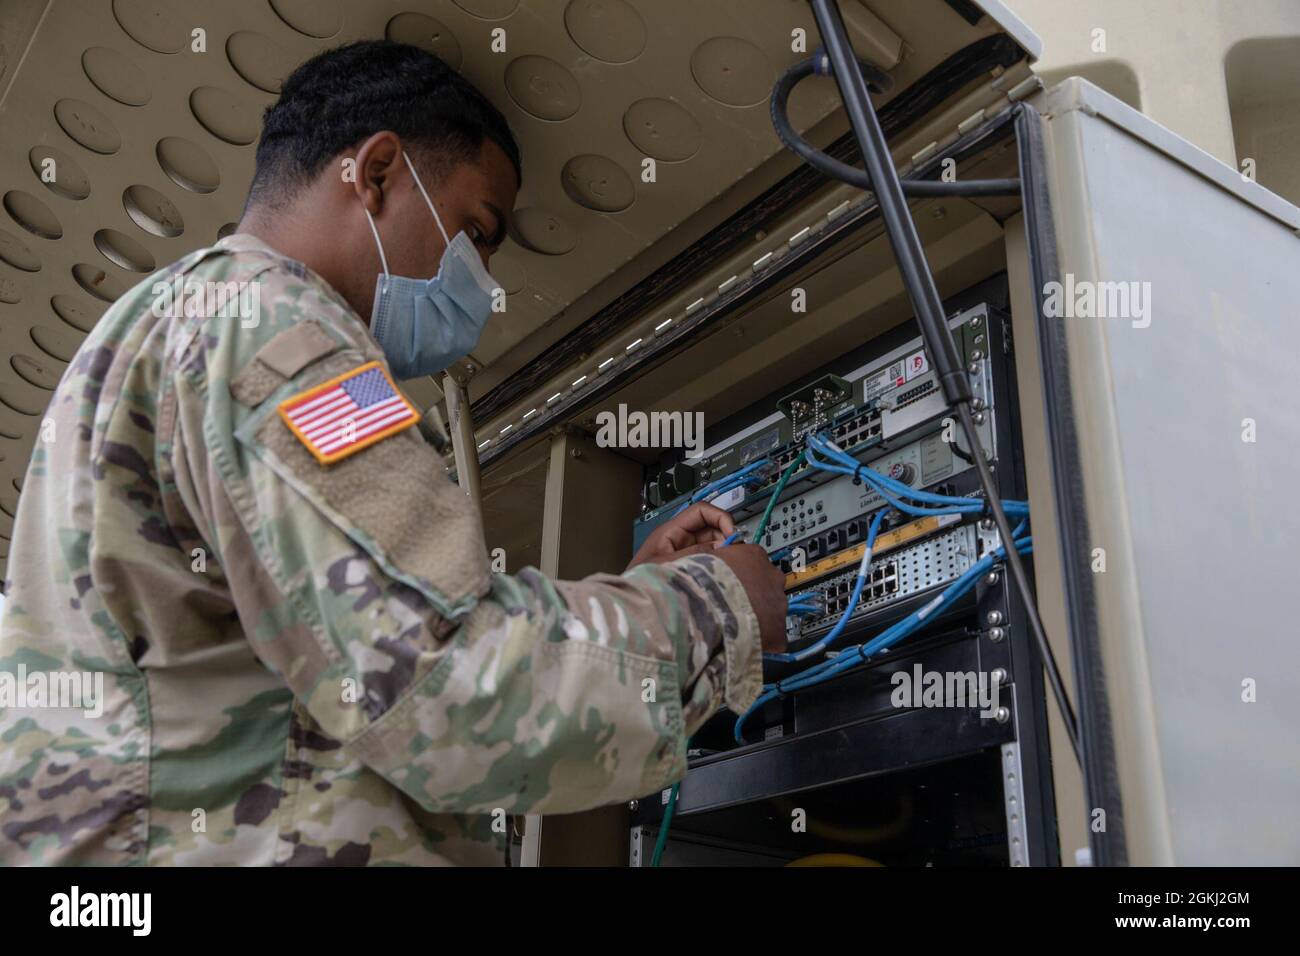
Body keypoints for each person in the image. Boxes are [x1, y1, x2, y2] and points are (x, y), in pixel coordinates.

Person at [0, 40, 787, 865]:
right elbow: (445, 687)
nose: (481, 282)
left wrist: (628, 597)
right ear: (374, 174)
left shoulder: (170, 319)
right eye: (476, 233)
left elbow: (348, 644)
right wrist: (714, 609)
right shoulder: (288, 334)